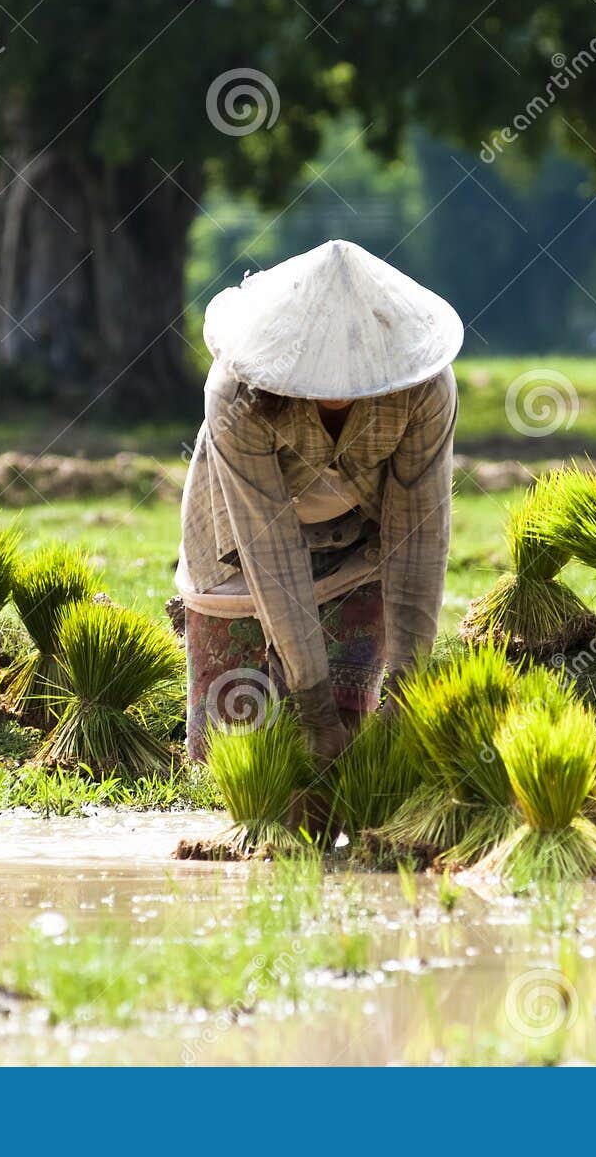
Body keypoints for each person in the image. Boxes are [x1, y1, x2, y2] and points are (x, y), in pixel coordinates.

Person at [177, 239, 461, 806]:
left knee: (352, 751)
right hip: (240, 549)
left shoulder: (424, 390)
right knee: (234, 757)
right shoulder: (239, 393)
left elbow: (418, 536)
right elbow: (269, 545)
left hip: (357, 546)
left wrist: (409, 690)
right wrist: (312, 702)